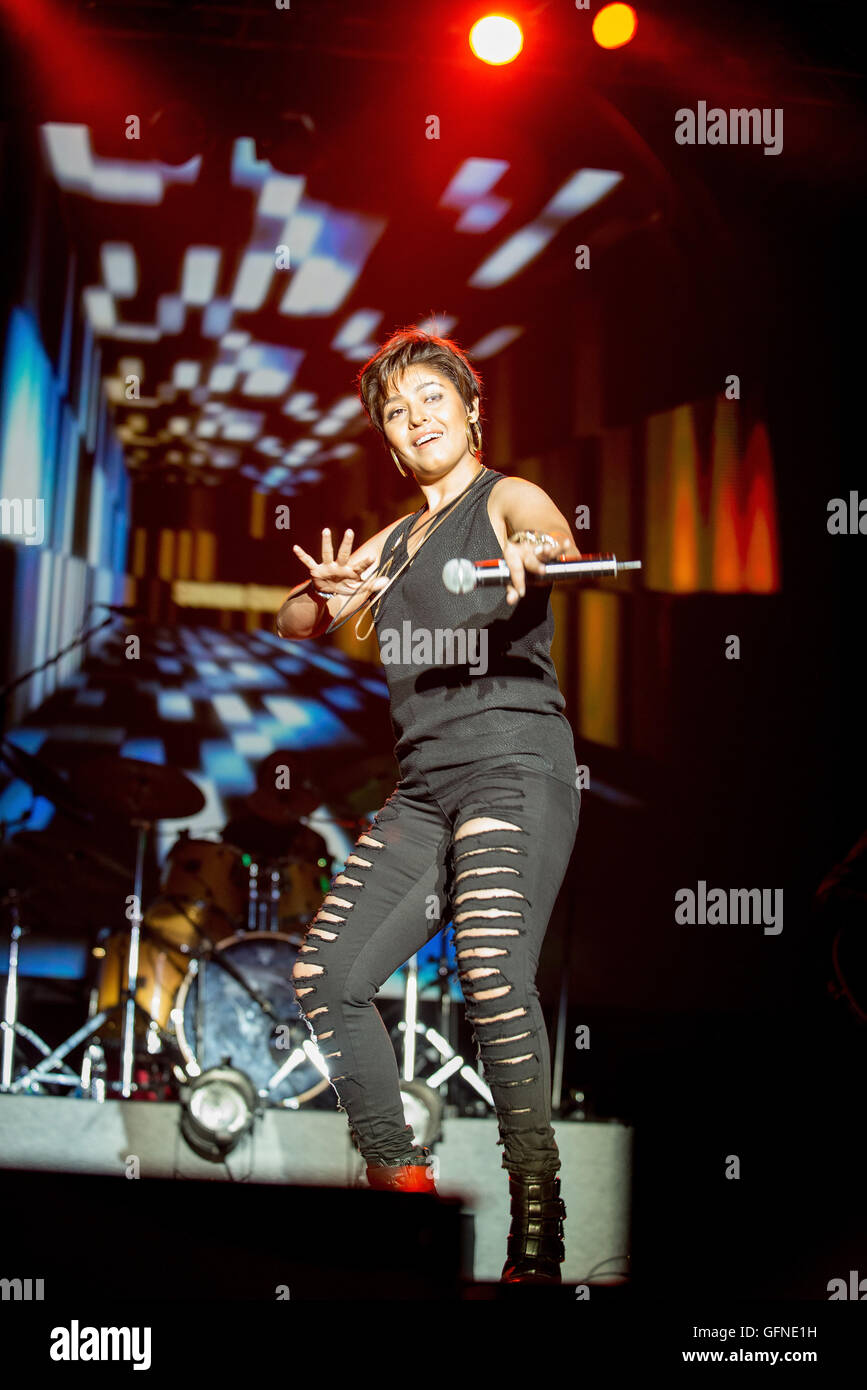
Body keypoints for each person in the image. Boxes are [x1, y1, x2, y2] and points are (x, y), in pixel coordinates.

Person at [276, 327, 582, 1283]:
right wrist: (323, 595)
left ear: (470, 409)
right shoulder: (397, 540)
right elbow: (291, 619)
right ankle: (401, 1186)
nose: (415, 421)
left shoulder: (505, 496)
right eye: (396, 416)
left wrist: (534, 553)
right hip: (422, 791)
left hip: (513, 765)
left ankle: (537, 1210)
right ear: (390, 443)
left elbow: (552, 535)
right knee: (325, 976)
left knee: (490, 967)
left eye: (430, 401)